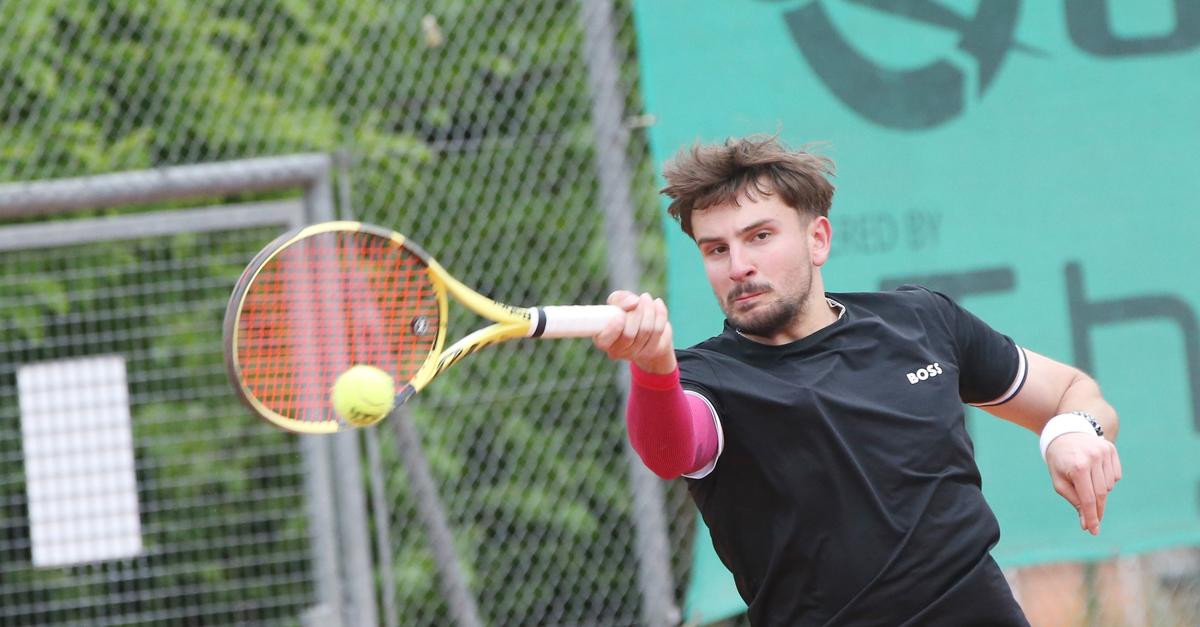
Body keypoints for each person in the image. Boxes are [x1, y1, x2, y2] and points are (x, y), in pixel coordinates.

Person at [592, 136, 1122, 626]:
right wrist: (655, 368)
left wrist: (1072, 430)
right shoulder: (707, 379)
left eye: (759, 236)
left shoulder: (921, 321)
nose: (739, 266)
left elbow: (1074, 393)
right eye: (716, 249)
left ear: (817, 238)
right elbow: (671, 449)